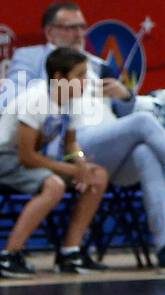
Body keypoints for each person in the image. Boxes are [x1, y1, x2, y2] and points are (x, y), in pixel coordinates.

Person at [8, 1, 165, 270]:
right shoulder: (31, 58)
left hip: (110, 144)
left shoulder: (98, 63)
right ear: (50, 32)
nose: (79, 33)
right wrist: (59, 81)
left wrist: (124, 94)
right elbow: (15, 97)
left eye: (82, 27)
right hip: (68, 143)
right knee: (143, 121)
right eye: (70, 28)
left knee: (146, 150)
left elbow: (123, 109)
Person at [0, 47, 109, 277]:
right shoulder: (35, 100)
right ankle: (9, 255)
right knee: (54, 185)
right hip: (5, 158)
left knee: (97, 175)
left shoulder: (72, 101)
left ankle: (70, 252)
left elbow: (71, 145)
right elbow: (26, 157)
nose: (85, 81)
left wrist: (80, 165)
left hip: (30, 160)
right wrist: (71, 169)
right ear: (59, 78)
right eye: (80, 75)